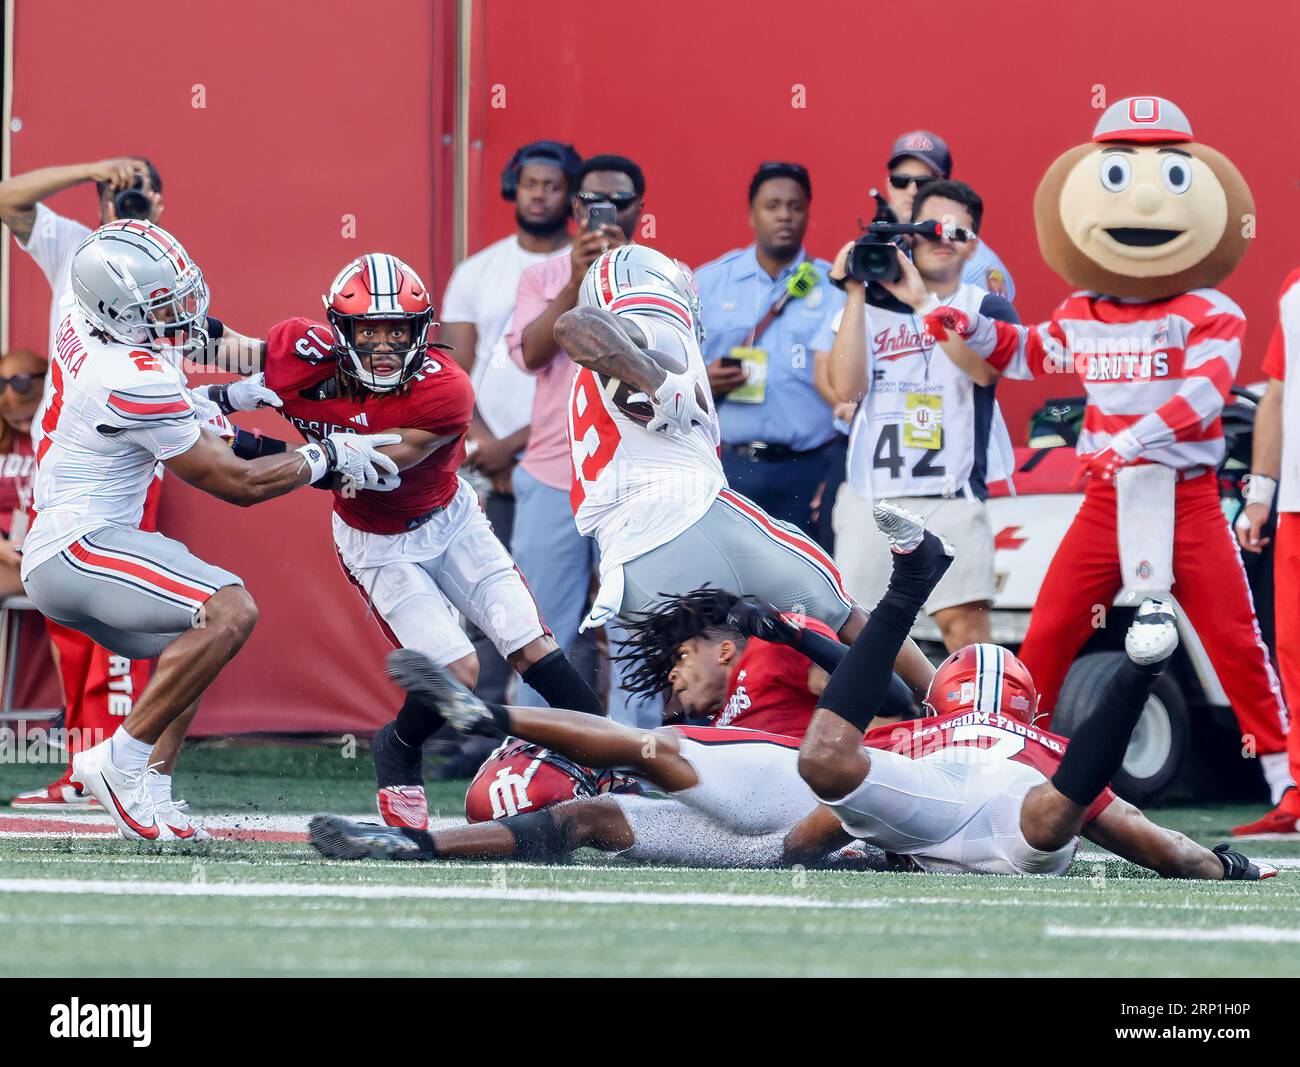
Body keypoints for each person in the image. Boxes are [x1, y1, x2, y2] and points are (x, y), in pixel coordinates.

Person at [309, 506, 1272, 882]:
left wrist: (796, 627)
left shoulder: (930, 727)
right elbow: (1153, 839)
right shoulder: (1014, 741)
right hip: (888, 818)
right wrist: (1223, 867)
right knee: (1057, 815)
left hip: (846, 805)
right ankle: (418, 836)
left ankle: (490, 726)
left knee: (688, 766)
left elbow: (870, 692)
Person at [922, 96, 1295, 833]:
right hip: (1104, 499)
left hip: (1184, 494)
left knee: (1236, 643)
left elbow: (1204, 395)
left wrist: (1133, 439)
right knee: (1051, 632)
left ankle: (1289, 783)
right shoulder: (1084, 310)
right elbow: (1030, 351)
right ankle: (1008, 767)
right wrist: (967, 324)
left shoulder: (1213, 309)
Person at [22, 221, 399, 841]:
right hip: (79, 544)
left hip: (79, 538)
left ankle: (151, 788)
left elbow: (190, 403)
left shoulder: (86, 310)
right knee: (229, 610)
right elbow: (233, 482)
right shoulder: (127, 375)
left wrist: (245, 389)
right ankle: (115, 763)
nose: (184, 314)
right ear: (120, 311)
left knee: (198, 634)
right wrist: (325, 458)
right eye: (161, 306)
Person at [258, 253, 603, 831]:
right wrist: (217, 401)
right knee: (457, 669)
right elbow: (226, 347)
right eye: (368, 329)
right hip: (378, 542)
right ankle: (398, 747)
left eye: (397, 329)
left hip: (451, 521)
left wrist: (303, 453)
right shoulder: (301, 358)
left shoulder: (445, 388)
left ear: (420, 332)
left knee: (530, 644)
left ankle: (613, 759)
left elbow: (383, 463)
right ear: (341, 332)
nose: (384, 344)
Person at [555, 243, 935, 697]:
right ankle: (949, 700)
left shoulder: (582, 381)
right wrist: (658, 381)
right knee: (841, 613)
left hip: (628, 573)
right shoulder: (653, 321)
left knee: (714, 692)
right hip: (689, 519)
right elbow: (573, 326)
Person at [0, 157, 245, 808]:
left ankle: (118, 764)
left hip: (125, 462)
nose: (125, 198)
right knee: (73, 627)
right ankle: (92, 766)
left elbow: (224, 345)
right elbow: (9, 199)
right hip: (73, 454)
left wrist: (289, 367)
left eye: (137, 190)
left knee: (117, 624)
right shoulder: (79, 250)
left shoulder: (164, 272)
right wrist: (93, 166)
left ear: (162, 201)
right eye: (112, 190)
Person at [817, 179, 1017, 651]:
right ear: (908, 233)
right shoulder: (868, 308)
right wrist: (854, 291)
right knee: (859, 643)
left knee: (965, 633)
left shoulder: (986, 305)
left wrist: (921, 303)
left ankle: (978, 723)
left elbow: (985, 371)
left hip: (950, 492)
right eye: (930, 228)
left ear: (974, 248)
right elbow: (846, 386)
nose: (942, 239)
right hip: (873, 495)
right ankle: (889, 724)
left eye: (957, 232)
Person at [438, 139, 580, 726]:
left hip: (558, 460)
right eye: (531, 184)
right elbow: (450, 369)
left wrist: (515, 445)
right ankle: (474, 734)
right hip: (483, 462)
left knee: (554, 607)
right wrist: (485, 447)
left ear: (571, 194)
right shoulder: (478, 271)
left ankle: (561, 729)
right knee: (483, 602)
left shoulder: (582, 268)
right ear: (513, 188)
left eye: (552, 185)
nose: (541, 194)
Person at [506, 154, 645, 711]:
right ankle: (539, 769)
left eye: (617, 203)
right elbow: (534, 355)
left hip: (639, 476)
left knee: (639, 634)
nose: (602, 214)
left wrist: (617, 277)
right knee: (543, 635)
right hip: (553, 474)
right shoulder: (541, 275)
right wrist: (577, 281)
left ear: (641, 209)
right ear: (574, 207)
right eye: (590, 202)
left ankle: (639, 775)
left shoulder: (665, 274)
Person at [696, 162, 844, 539]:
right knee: (725, 592)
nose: (784, 216)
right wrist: (701, 382)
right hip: (728, 466)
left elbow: (853, 387)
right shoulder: (708, 283)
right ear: (751, 213)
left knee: (808, 593)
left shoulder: (836, 288)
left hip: (810, 471)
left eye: (795, 207)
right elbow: (671, 370)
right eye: (772, 205)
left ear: (808, 211)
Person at [1234, 267, 1300, 834]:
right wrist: (1259, 495)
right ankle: (1298, 791)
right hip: (1296, 503)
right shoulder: (1293, 287)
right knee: (1293, 647)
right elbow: (1278, 393)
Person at [882, 131, 1016, 301]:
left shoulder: (977, 264)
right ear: (889, 185)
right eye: (900, 180)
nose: (911, 190)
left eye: (924, 182)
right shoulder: (877, 251)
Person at [0, 349, 43, 603]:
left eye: (29, 417)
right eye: (14, 421)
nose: (25, 427)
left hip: (39, 556)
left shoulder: (58, 438)